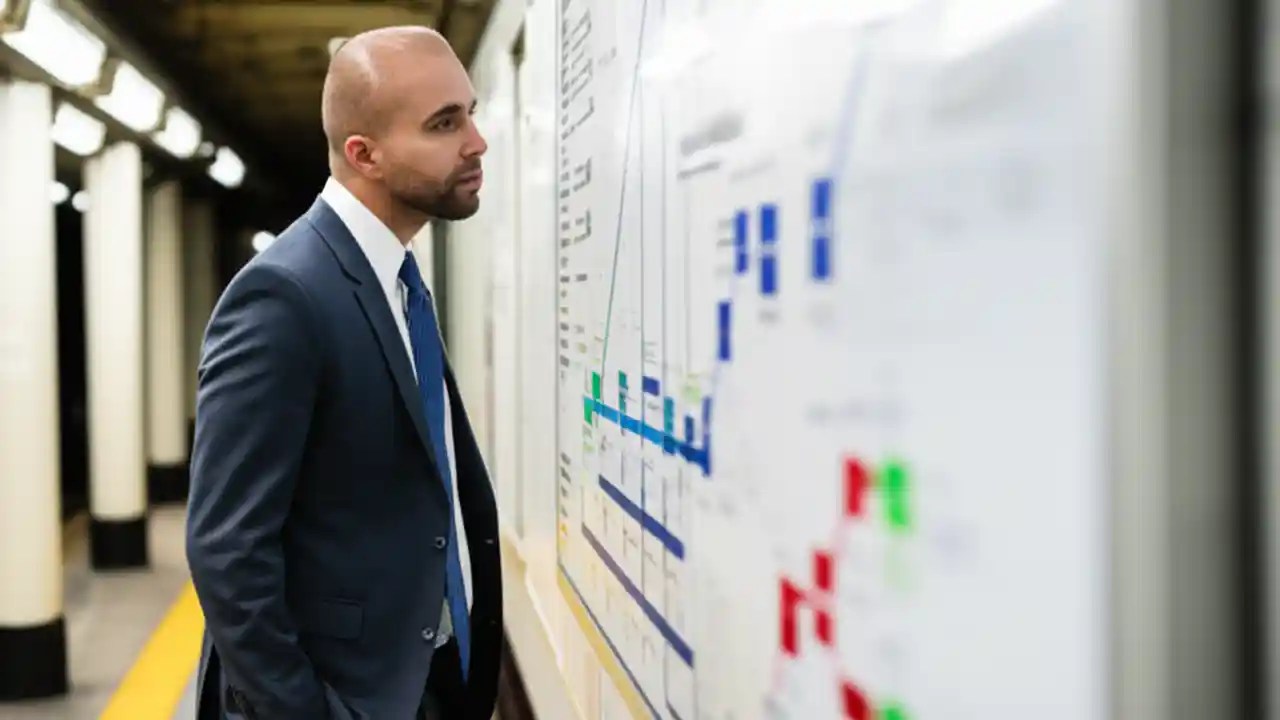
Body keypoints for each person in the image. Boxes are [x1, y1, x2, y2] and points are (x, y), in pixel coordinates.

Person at [186, 26, 500, 720]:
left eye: (471, 113)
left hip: (421, 678)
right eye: (444, 123)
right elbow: (227, 550)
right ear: (364, 154)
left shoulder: (394, 277)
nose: (476, 142)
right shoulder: (284, 296)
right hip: (349, 697)